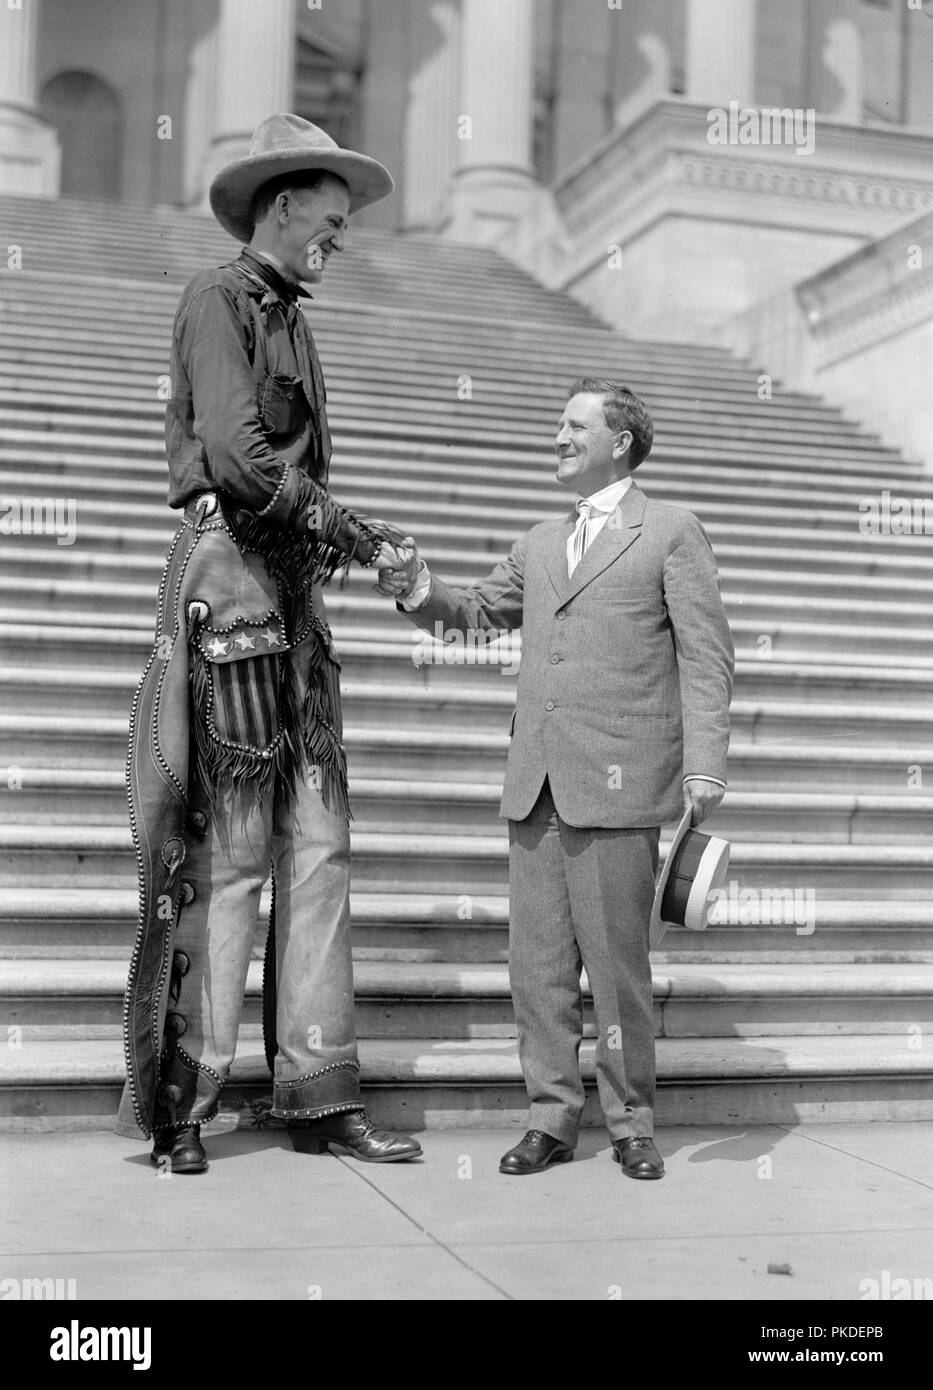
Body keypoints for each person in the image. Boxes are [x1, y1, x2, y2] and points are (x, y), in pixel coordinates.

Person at [116, 115, 421, 1172]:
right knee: (233, 856)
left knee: (321, 851)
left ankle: (320, 1092)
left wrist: (347, 531)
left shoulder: (293, 314)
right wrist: (344, 525)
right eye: (328, 223)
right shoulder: (217, 298)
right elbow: (242, 460)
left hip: (290, 598)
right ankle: (185, 1108)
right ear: (280, 206)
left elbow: (286, 476)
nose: (338, 241)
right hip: (233, 588)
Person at [379, 380, 734, 1180]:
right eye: (557, 424)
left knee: (616, 971)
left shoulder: (671, 530)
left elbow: (705, 655)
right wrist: (412, 582)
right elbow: (471, 614)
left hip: (620, 782)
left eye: (575, 426)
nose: (558, 436)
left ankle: (631, 1122)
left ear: (621, 442)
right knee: (535, 968)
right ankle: (549, 1118)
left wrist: (704, 759)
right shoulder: (540, 541)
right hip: (536, 782)